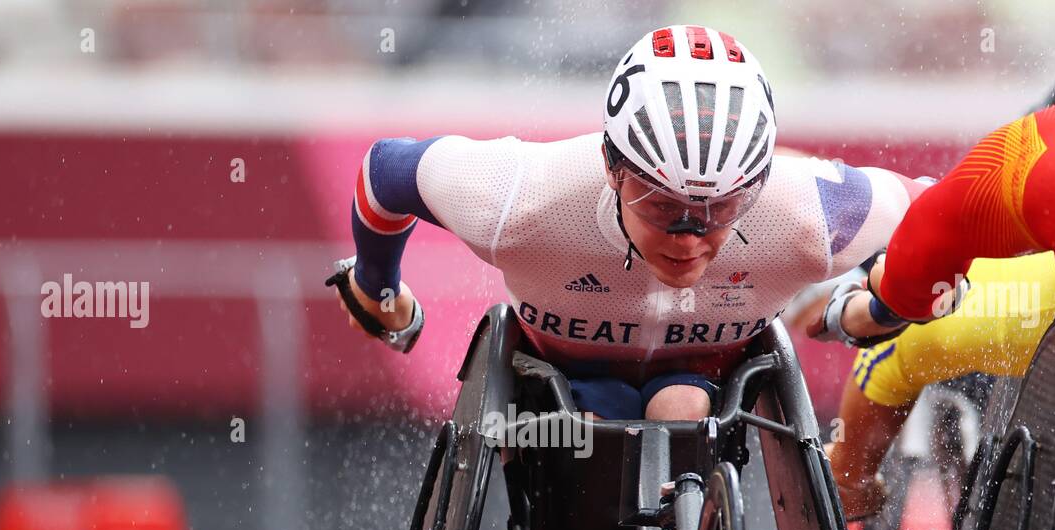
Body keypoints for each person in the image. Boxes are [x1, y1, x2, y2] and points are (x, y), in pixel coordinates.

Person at [330, 23, 925, 423]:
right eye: (664, 206)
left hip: (706, 380)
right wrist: (377, 288)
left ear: (758, 185)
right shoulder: (520, 199)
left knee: (682, 405)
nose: (691, 237)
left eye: (720, 209)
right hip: (560, 380)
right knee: (595, 417)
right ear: (613, 167)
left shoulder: (805, 210)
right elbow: (385, 171)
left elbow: (944, 209)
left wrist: (903, 294)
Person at [811, 39, 1055, 516]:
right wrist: (891, 305)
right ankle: (851, 482)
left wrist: (891, 303)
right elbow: (941, 225)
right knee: (914, 341)